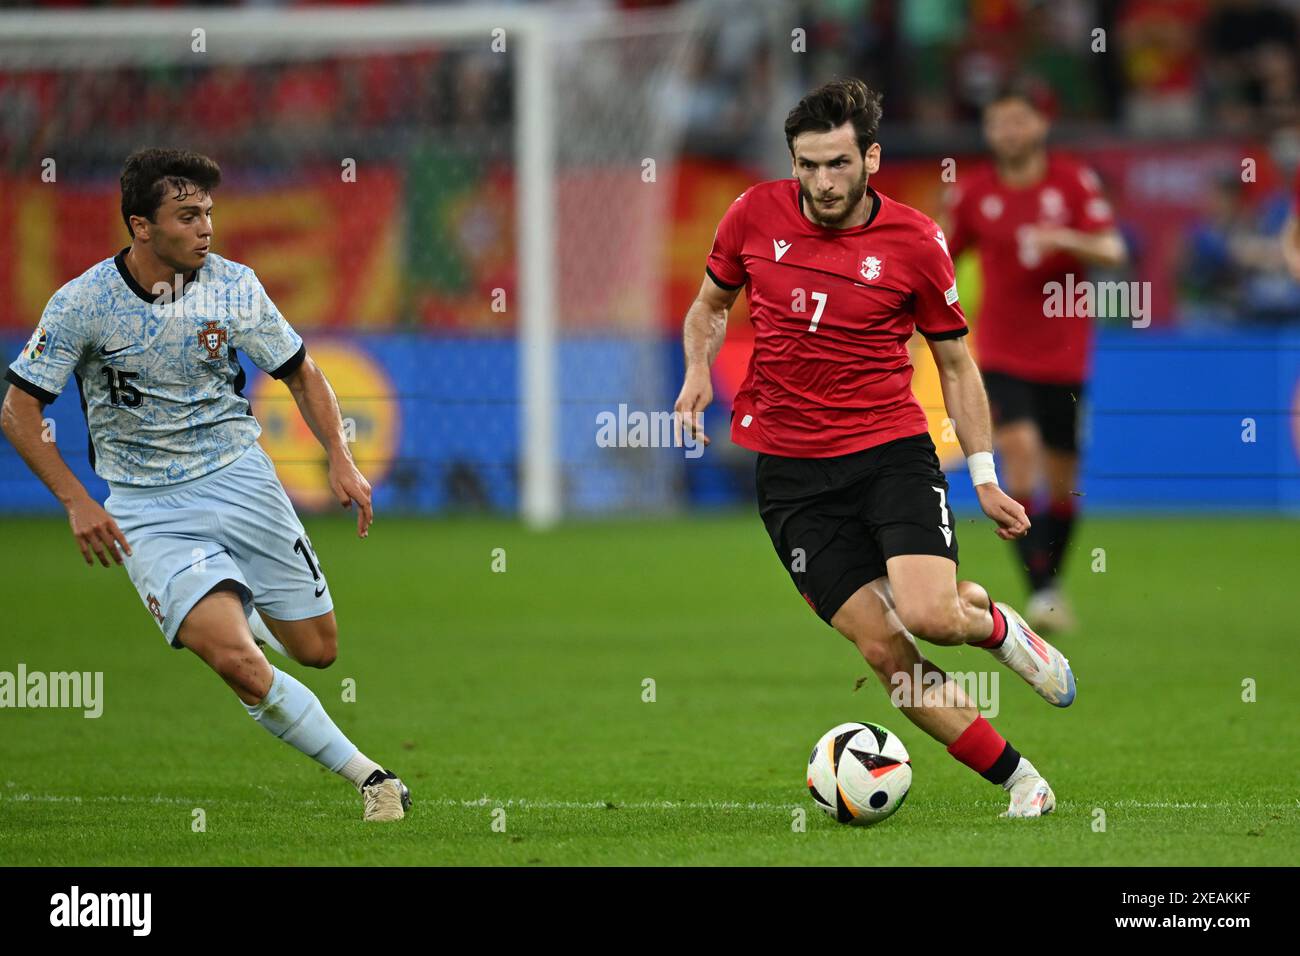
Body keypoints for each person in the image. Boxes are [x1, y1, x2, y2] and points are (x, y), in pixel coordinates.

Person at [673, 79, 1075, 819]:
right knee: (886, 650)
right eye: (808, 165)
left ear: (872, 158)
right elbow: (708, 307)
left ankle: (995, 628)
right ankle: (1023, 781)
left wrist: (984, 477)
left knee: (932, 619)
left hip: (889, 454)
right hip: (791, 479)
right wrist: (698, 369)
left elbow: (956, 364)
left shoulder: (917, 242)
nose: (823, 182)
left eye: (838, 163)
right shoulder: (751, 214)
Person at [1, 148, 410, 822]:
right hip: (148, 509)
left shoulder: (234, 287)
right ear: (141, 225)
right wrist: (77, 501)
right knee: (239, 665)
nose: (206, 227)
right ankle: (374, 780)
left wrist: (339, 455)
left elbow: (301, 372)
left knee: (317, 650)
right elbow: (19, 409)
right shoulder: (83, 303)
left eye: (208, 213)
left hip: (241, 480)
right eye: (188, 215)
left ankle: (237, 600)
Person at [944, 88, 1128, 632]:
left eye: (1018, 121)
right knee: (1020, 454)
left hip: (1065, 354)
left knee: (1064, 478)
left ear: (1040, 126)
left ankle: (1051, 581)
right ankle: (1041, 589)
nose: (1008, 132)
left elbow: (1114, 249)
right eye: (998, 122)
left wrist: (1066, 239)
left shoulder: (1071, 181)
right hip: (1001, 350)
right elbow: (941, 256)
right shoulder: (974, 191)